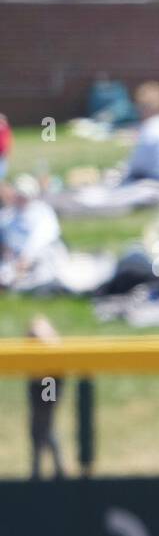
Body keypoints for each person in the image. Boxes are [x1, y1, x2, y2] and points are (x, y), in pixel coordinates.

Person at [50, 83, 159, 217]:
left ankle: (67, 207)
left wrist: (113, 176)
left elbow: (135, 166)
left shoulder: (153, 129)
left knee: (104, 199)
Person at [0, 177, 67, 293]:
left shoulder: (42, 212)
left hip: (40, 256)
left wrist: (26, 258)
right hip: (15, 259)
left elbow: (41, 238)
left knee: (44, 276)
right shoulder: (8, 215)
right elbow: (6, 239)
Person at [26, 316, 65, 480]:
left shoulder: (44, 333)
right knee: (38, 428)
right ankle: (40, 470)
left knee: (45, 426)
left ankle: (57, 470)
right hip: (39, 383)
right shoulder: (36, 329)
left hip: (48, 382)